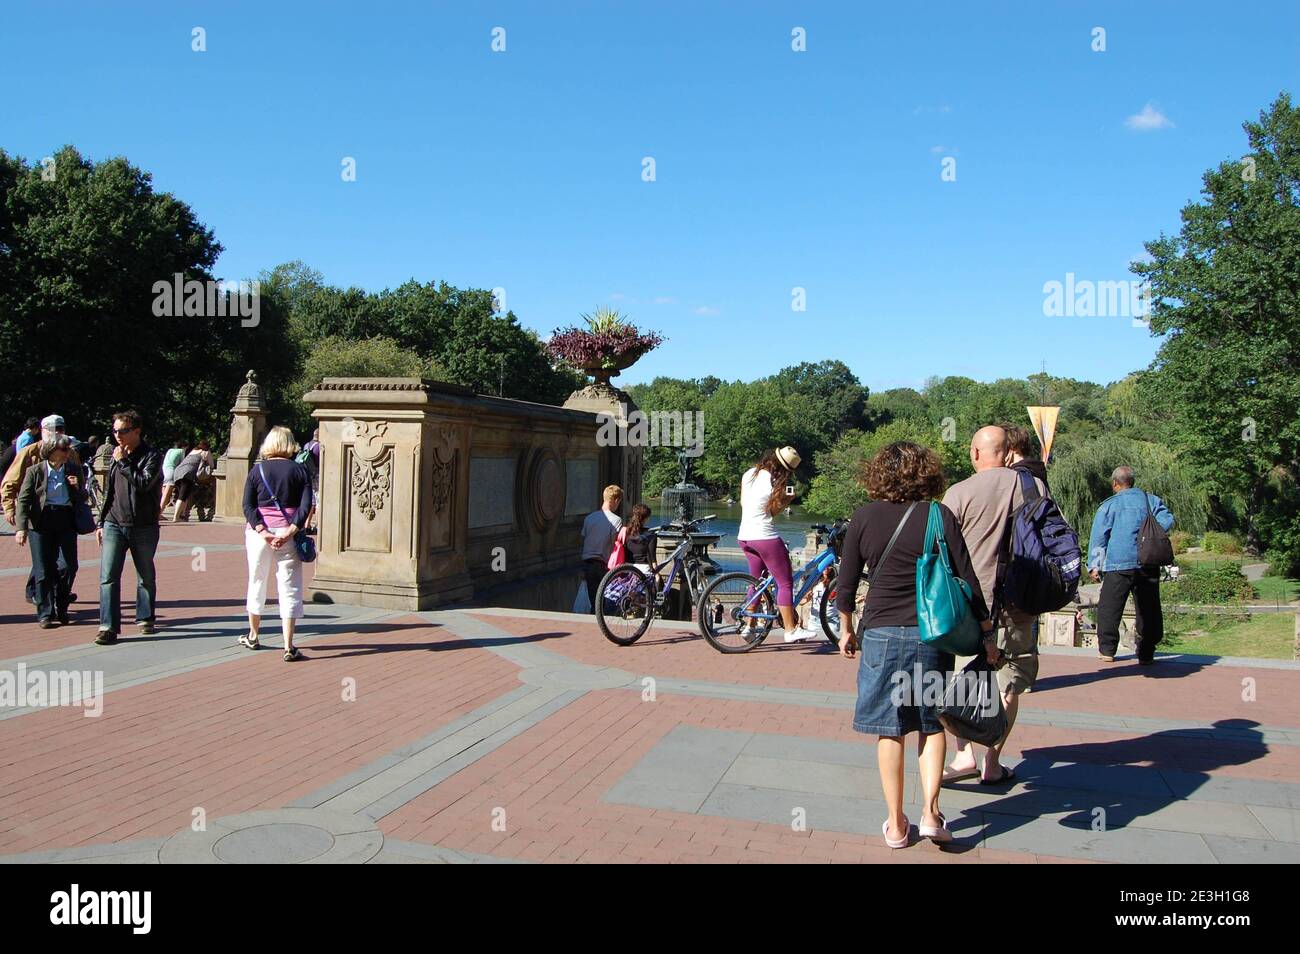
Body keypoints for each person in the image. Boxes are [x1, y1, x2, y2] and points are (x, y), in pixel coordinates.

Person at [837, 441, 994, 848]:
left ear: (878, 473)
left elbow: (847, 582)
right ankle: (931, 813)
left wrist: (846, 628)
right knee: (931, 724)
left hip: (880, 633)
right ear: (927, 473)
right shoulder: (938, 516)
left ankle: (895, 824)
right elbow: (967, 579)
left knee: (889, 730)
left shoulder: (864, 516)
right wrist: (986, 632)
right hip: (932, 634)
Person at [942, 425, 1047, 786]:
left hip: (968, 606)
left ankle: (963, 755)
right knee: (1008, 684)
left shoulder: (958, 493)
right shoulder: (1034, 487)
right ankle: (993, 760)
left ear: (975, 453)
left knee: (961, 679)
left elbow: (941, 552)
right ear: (1008, 453)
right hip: (1019, 603)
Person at [1087, 465, 1176, 666]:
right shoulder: (1150, 500)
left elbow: (1099, 537)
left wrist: (1095, 564)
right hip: (1148, 561)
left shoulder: (1109, 505)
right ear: (1132, 482)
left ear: (1115, 484)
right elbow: (1168, 520)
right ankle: (1146, 652)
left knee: (1109, 607)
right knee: (1149, 609)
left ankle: (1107, 650)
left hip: (1117, 563)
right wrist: (1150, 531)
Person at [241, 426, 313, 661]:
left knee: (257, 579)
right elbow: (306, 505)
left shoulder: (257, 470)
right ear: (290, 444)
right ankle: (288, 645)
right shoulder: (300, 470)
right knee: (290, 585)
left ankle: (253, 635)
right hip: (288, 533)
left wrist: (262, 530)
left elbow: (248, 505)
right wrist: (291, 530)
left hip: (259, 534)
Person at [95, 410, 164, 645]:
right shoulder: (116, 456)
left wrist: (123, 461)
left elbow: (144, 483)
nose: (118, 435)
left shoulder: (152, 456)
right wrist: (101, 522)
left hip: (143, 525)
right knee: (108, 577)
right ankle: (107, 627)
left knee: (145, 575)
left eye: (123, 431)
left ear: (137, 431)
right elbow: (109, 492)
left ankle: (145, 617)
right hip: (114, 523)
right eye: (115, 431)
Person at [737, 446, 820, 642]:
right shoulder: (774, 482)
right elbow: (772, 512)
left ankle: (749, 626)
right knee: (785, 582)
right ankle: (790, 630)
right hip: (764, 536)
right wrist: (787, 500)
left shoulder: (749, 474)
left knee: (756, 581)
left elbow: (743, 503)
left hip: (745, 535)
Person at [3, 415, 83, 605]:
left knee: (64, 562)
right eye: (54, 429)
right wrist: (9, 508)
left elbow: (80, 482)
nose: (58, 433)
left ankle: (56, 592)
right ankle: (40, 594)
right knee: (44, 560)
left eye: (61, 429)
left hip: (64, 515)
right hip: (38, 514)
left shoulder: (70, 453)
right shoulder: (29, 452)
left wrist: (78, 490)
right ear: (43, 431)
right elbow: (10, 482)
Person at [14, 436, 83, 628]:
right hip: (41, 522)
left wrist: (77, 487)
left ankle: (62, 606)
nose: (68, 452)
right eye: (64, 449)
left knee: (69, 566)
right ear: (52, 451)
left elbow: (83, 497)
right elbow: (24, 499)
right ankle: (45, 613)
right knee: (43, 569)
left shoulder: (73, 469)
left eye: (68, 448)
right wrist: (21, 528)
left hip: (65, 520)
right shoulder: (35, 471)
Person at [580, 485, 624, 610]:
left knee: (593, 602)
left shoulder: (589, 518)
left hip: (587, 563)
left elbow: (583, 541)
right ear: (616, 500)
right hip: (602, 565)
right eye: (619, 502)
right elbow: (614, 545)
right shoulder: (616, 520)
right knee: (603, 604)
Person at [1001, 424, 1049, 491]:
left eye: (999, 447)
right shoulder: (1036, 470)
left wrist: (1002, 472)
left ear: (1014, 447)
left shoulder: (1017, 476)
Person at [160, 440, 188, 514]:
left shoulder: (170, 450)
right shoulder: (181, 451)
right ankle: (159, 513)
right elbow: (182, 463)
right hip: (172, 472)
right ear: (184, 447)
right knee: (167, 494)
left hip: (164, 471)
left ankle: (158, 512)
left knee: (163, 493)